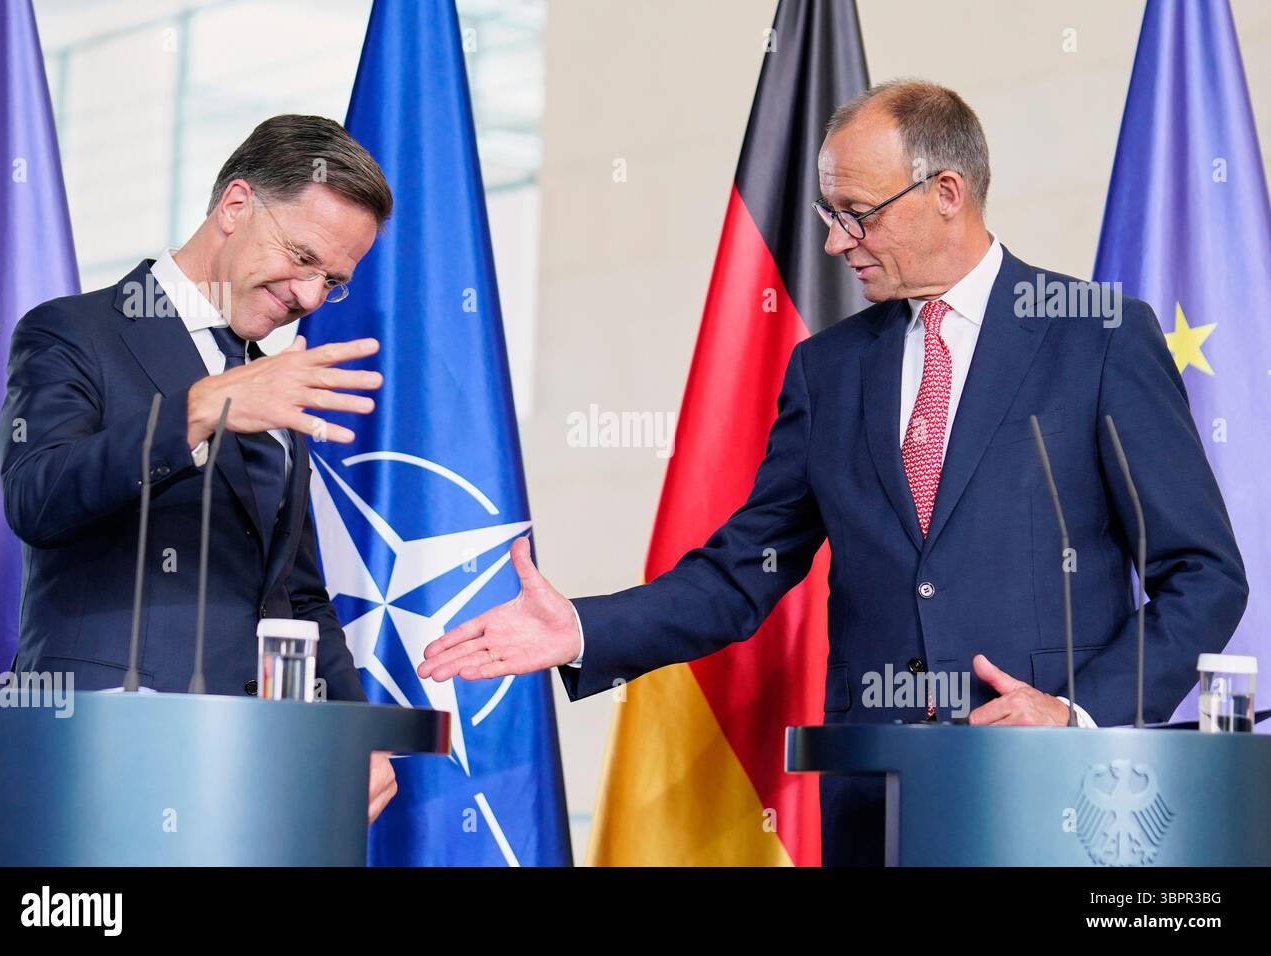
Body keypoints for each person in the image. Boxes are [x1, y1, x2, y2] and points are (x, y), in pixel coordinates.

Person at [417, 81, 1249, 864]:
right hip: (872, 797)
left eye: (856, 215)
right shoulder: (829, 369)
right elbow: (746, 569)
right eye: (828, 212)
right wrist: (588, 629)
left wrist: (1076, 715)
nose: (832, 242)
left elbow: (1203, 575)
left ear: (947, 194)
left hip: (1057, 794)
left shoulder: (1098, 336)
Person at [0, 114, 398, 823]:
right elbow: (38, 498)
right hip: (104, 757)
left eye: (331, 280)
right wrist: (200, 407)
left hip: (256, 775)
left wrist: (351, 730)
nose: (309, 297)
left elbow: (298, 596)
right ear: (236, 205)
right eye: (303, 257)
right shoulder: (74, 331)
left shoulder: (276, 382)